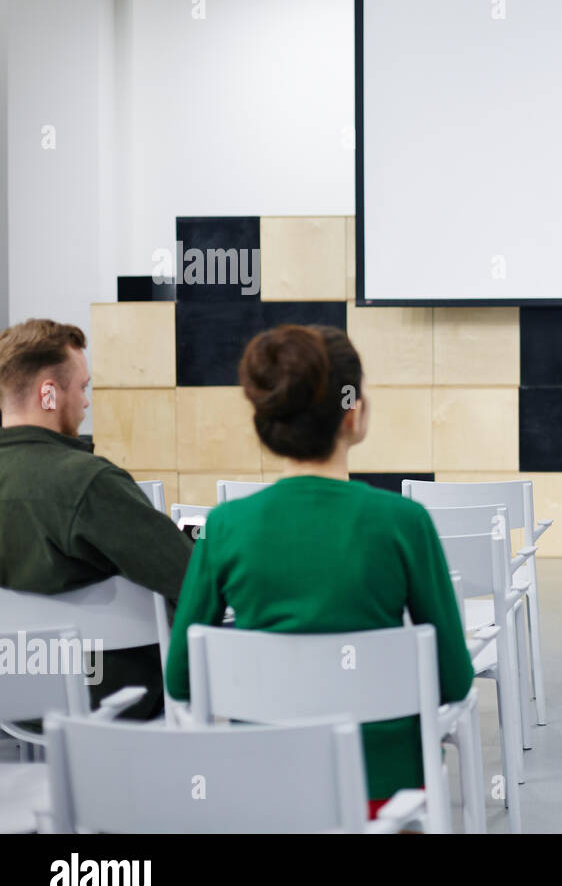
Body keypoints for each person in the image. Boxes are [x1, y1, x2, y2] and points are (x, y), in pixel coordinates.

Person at [164, 324, 474, 815]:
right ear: (352, 414)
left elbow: (180, 678)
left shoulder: (224, 528)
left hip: (263, 788)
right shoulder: (404, 522)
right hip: (385, 792)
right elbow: (455, 680)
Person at [0, 318, 192, 719]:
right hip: (106, 696)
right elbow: (190, 576)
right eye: (82, 388)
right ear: (48, 394)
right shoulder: (87, 483)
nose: (86, 404)